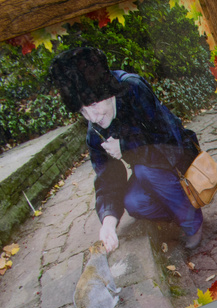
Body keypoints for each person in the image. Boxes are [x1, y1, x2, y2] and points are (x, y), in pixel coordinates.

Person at [48, 46, 205, 252]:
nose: (93, 117)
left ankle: (193, 224)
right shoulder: (94, 129)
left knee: (144, 171)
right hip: (154, 169)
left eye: (94, 105)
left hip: (180, 157)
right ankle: (180, 210)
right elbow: (107, 176)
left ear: (107, 91)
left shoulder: (133, 88)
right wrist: (108, 222)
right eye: (83, 111)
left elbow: (170, 142)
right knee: (134, 202)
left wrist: (125, 146)